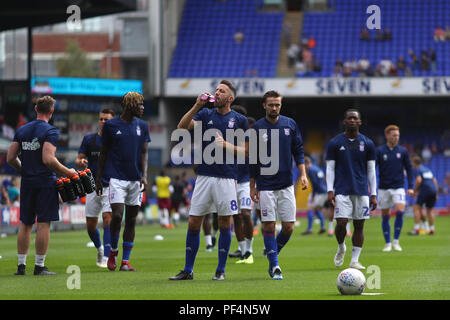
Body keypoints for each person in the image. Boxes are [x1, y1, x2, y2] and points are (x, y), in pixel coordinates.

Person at [169, 80, 248, 281]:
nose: (217, 93)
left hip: (227, 178)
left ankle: (220, 271)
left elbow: (247, 152)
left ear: (230, 98)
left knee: (224, 223)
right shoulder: (205, 114)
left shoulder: (239, 120)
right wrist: (197, 105)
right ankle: (188, 270)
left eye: (222, 91)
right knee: (194, 221)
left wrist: (226, 146)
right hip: (204, 177)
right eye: (217, 90)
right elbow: (182, 127)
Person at [7, 95, 77, 276]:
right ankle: (39, 266)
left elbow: (10, 158)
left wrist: (25, 169)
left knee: (26, 223)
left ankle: (21, 267)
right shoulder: (51, 131)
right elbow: (48, 159)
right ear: (51, 112)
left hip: (28, 182)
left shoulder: (22, 130)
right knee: (44, 223)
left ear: (36, 109)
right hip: (45, 182)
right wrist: (69, 172)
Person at [250, 90, 308, 280]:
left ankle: (272, 252)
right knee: (268, 225)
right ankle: (275, 265)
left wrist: (303, 174)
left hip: (286, 184)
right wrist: (252, 185)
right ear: (264, 106)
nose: (274, 108)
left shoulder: (290, 124)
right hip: (265, 185)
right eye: (271, 105)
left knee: (289, 227)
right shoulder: (257, 127)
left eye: (277, 105)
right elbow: (253, 160)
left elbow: (298, 151)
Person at [96, 91, 150, 272]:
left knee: (132, 220)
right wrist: (98, 177)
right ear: (129, 105)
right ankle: (113, 251)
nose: (142, 108)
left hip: (135, 179)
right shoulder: (111, 125)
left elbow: (144, 153)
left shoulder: (142, 126)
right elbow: (103, 153)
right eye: (139, 104)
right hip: (116, 177)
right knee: (117, 215)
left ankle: (125, 262)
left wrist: (144, 175)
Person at [326, 109, 377, 270]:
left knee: (359, 226)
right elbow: (330, 169)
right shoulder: (335, 143)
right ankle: (341, 247)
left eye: (356, 118)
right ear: (345, 121)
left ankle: (355, 260)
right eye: (350, 118)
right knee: (341, 223)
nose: (353, 120)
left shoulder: (368, 143)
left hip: (361, 191)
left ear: (360, 122)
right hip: (342, 190)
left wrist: (373, 193)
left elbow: (371, 170)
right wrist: (329, 190)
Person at [76, 108, 115, 267]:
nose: (104, 122)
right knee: (91, 225)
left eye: (107, 120)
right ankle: (100, 248)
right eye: (101, 119)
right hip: (92, 186)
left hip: (111, 185)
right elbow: (79, 159)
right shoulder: (89, 140)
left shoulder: (116, 141)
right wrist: (81, 163)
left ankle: (106, 256)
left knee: (107, 219)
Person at [376, 125, 414, 252]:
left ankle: (396, 241)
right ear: (387, 135)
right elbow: (372, 168)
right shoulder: (380, 151)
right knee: (385, 215)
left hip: (399, 186)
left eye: (397, 135)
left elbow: (409, 169)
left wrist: (411, 186)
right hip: (383, 188)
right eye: (394, 135)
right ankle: (387, 243)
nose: (396, 137)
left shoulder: (403, 151)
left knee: (400, 211)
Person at [229, 105, 254, 264]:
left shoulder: (250, 138)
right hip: (230, 182)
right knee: (236, 217)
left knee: (245, 214)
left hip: (245, 182)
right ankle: (243, 250)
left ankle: (250, 250)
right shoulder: (226, 136)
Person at [408, 156, 439, 235]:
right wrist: (436, 193)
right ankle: (431, 229)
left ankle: (416, 229)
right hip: (433, 190)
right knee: (430, 210)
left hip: (425, 190)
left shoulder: (417, 170)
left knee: (416, 208)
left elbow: (418, 180)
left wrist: (414, 191)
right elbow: (434, 180)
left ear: (414, 163)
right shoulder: (427, 169)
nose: (411, 164)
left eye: (412, 162)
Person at [301, 156, 327, 235]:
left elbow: (315, 184)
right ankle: (322, 227)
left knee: (310, 208)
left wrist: (313, 196)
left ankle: (309, 229)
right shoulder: (316, 167)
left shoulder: (310, 170)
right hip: (323, 190)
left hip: (319, 192)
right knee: (317, 209)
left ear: (305, 164)